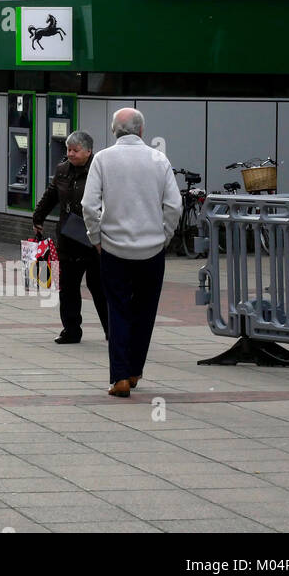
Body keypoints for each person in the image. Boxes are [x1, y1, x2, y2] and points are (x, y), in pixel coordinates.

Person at [82, 108, 181, 398]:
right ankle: (136, 369)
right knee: (145, 311)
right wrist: (164, 236)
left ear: (114, 131)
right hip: (151, 250)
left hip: (113, 249)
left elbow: (89, 206)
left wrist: (96, 237)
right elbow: (174, 206)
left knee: (119, 310)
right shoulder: (158, 159)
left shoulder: (102, 159)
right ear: (141, 131)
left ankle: (120, 377)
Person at [33, 129, 108, 345]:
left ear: (89, 151)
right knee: (68, 287)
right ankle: (71, 329)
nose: (71, 154)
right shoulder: (63, 169)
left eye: (76, 150)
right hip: (68, 236)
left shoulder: (100, 169)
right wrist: (38, 216)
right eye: (68, 149)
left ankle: (111, 329)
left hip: (94, 239)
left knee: (99, 286)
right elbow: (51, 194)